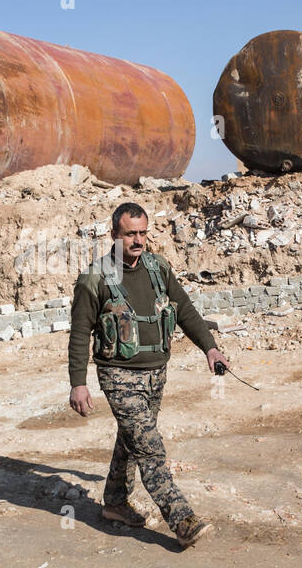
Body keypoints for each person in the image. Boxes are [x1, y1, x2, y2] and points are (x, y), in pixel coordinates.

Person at [67, 202, 230, 549]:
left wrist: (210, 348)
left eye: (142, 233)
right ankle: (182, 519)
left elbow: (184, 309)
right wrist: (78, 383)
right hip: (119, 376)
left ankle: (114, 503)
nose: (138, 240)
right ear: (114, 235)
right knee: (150, 447)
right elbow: (80, 332)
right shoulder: (94, 278)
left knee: (132, 441)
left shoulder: (158, 268)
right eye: (130, 234)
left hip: (156, 374)